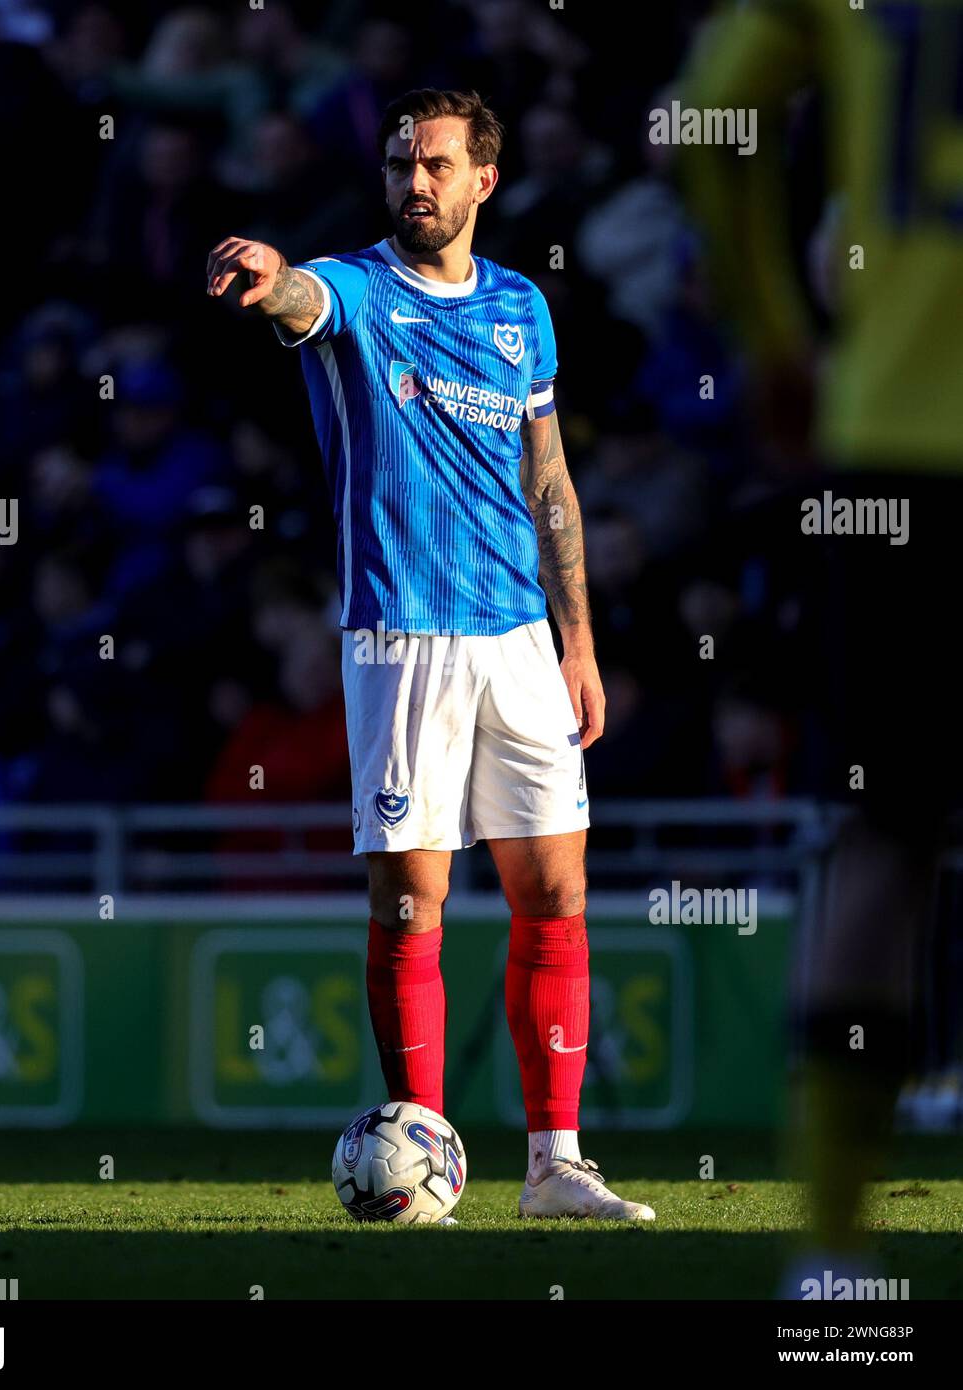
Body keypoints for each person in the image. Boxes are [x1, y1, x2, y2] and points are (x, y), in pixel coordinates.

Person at [207, 87, 655, 1221]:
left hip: (518, 640)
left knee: (556, 891)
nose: (416, 180)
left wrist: (580, 643)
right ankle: (424, 1153)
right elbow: (301, 298)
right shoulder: (356, 287)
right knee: (415, 903)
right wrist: (273, 276)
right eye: (402, 160)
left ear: (482, 181)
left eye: (438, 164)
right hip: (402, 632)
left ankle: (555, 1164)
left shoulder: (521, 309)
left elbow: (548, 482)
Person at [680, 0, 963, 1289]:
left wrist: (778, 341)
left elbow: (707, 119)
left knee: (889, 838)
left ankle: (839, 1253)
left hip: (896, 433)